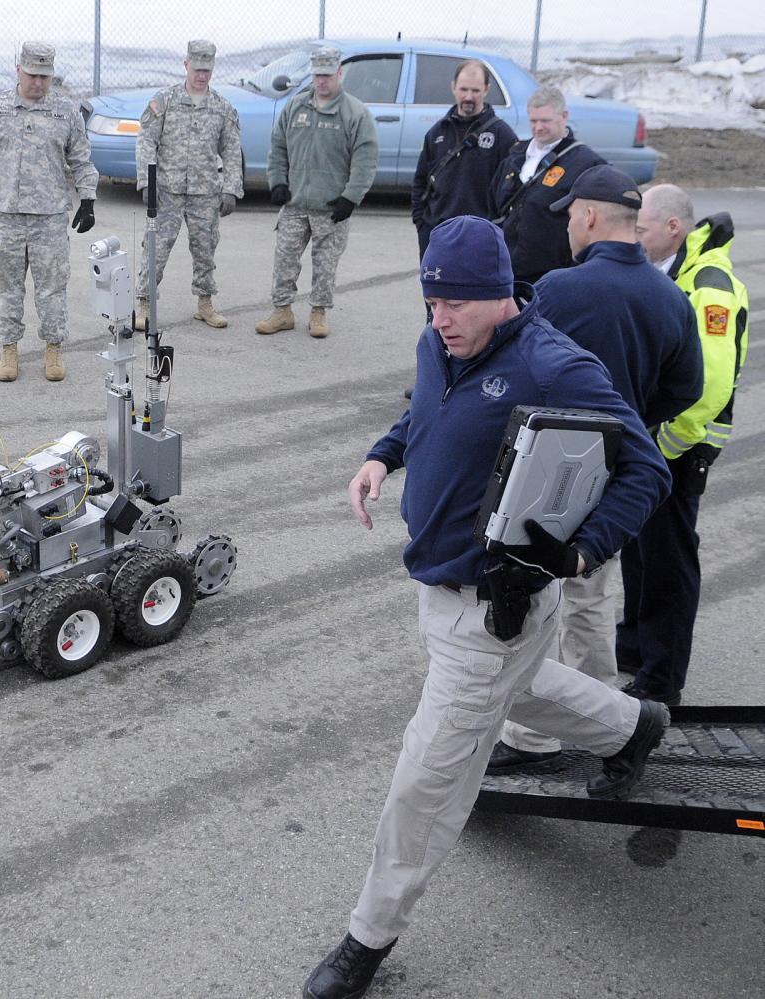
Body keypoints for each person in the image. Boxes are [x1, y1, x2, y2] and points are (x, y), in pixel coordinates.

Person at [303, 216, 672, 999]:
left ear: (502, 293)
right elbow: (425, 408)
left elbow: (646, 469)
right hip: (444, 593)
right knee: (525, 682)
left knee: (425, 784)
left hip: (493, 609)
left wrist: (584, 551)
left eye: (458, 302)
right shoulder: (439, 342)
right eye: (432, 299)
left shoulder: (551, 364)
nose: (441, 317)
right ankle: (634, 725)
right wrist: (382, 455)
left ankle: (367, 938)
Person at [487, 166, 703, 775]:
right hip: (618, 469)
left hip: (549, 468)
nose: (567, 229)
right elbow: (687, 388)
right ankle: (606, 723)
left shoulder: (559, 289)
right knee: (591, 594)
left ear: (588, 217)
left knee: (536, 595)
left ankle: (534, 739)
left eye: (569, 216)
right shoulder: (671, 297)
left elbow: (511, 370)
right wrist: (631, 423)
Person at [617, 184, 750, 704]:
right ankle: (634, 646)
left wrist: (666, 444)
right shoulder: (672, 271)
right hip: (655, 440)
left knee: (668, 560)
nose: (633, 238)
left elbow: (709, 386)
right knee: (639, 549)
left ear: (673, 228)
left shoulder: (710, 285)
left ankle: (661, 680)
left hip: (679, 446)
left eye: (641, 229)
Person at [0, 41, 99, 383]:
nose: (38, 82)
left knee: (52, 288)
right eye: (32, 75)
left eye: (45, 76)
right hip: (6, 216)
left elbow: (81, 158)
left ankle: (53, 348)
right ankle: (9, 349)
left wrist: (88, 198)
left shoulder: (65, 112)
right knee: (6, 287)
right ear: (18, 69)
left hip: (50, 218)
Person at [255, 47, 378, 339]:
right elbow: (278, 146)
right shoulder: (295, 107)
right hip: (295, 204)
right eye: (317, 75)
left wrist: (351, 197)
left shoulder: (355, 113)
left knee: (325, 264)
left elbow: (365, 159)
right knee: (284, 259)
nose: (322, 81)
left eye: (328, 75)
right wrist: (278, 182)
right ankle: (282, 311)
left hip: (331, 207)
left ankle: (318, 312)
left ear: (339, 73)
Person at [133, 39, 243, 331]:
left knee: (205, 249)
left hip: (204, 192)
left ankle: (205, 303)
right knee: (155, 249)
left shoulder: (222, 107)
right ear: (186, 65)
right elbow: (146, 140)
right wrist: (147, 181)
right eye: (197, 69)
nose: (201, 75)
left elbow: (232, 150)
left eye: (207, 70)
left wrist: (231, 188)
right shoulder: (165, 100)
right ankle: (144, 303)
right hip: (167, 191)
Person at [490, 85, 606, 283]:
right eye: (533, 121)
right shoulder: (514, 157)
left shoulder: (587, 163)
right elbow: (492, 207)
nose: (538, 127)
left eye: (545, 121)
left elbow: (595, 226)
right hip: (507, 274)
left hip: (553, 278)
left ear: (564, 116)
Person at [411, 59, 516, 262]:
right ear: (453, 87)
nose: (469, 97)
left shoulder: (502, 136)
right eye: (464, 89)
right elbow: (420, 182)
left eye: (476, 90)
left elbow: (512, 192)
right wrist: (422, 224)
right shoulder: (437, 132)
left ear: (487, 90)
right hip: (437, 235)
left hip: (481, 240)